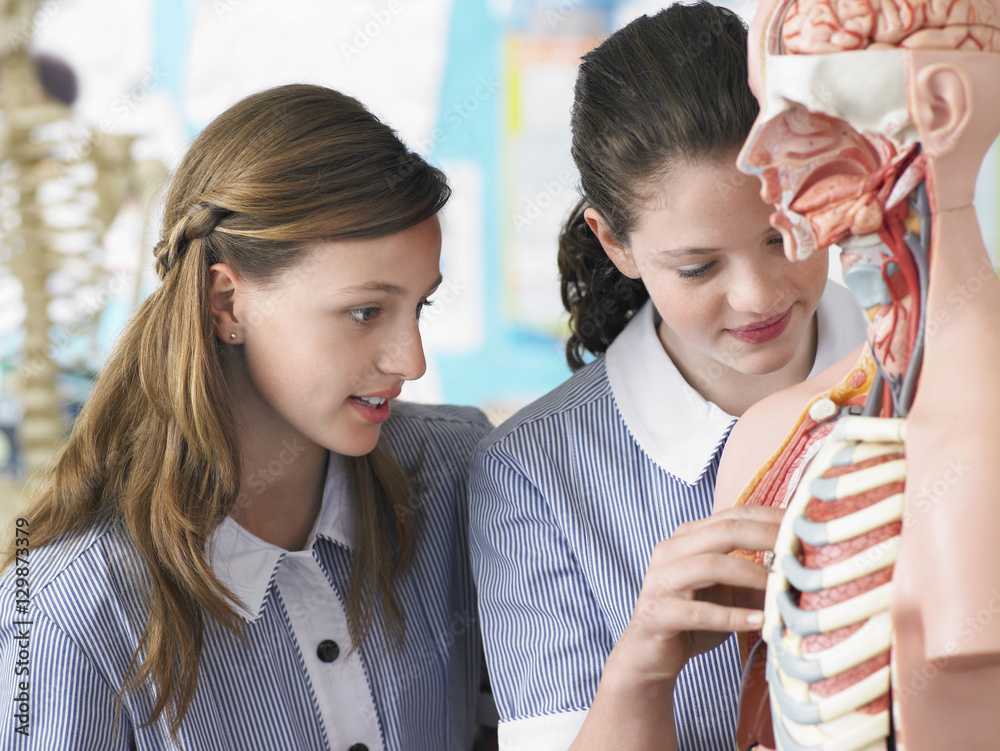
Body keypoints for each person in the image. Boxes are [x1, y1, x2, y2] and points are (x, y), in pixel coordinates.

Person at [0, 83, 495, 750]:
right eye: (365, 312)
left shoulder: (465, 474)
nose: (411, 361)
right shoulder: (68, 611)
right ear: (226, 304)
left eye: (420, 308)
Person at [468, 4, 868, 750]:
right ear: (615, 242)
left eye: (784, 234)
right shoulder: (534, 474)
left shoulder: (939, 369)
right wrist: (642, 664)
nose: (757, 294)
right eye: (697, 266)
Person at [714, 0, 1000, 747]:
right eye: (764, 111)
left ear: (939, 106)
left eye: (805, 109)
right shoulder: (769, 439)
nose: (759, 158)